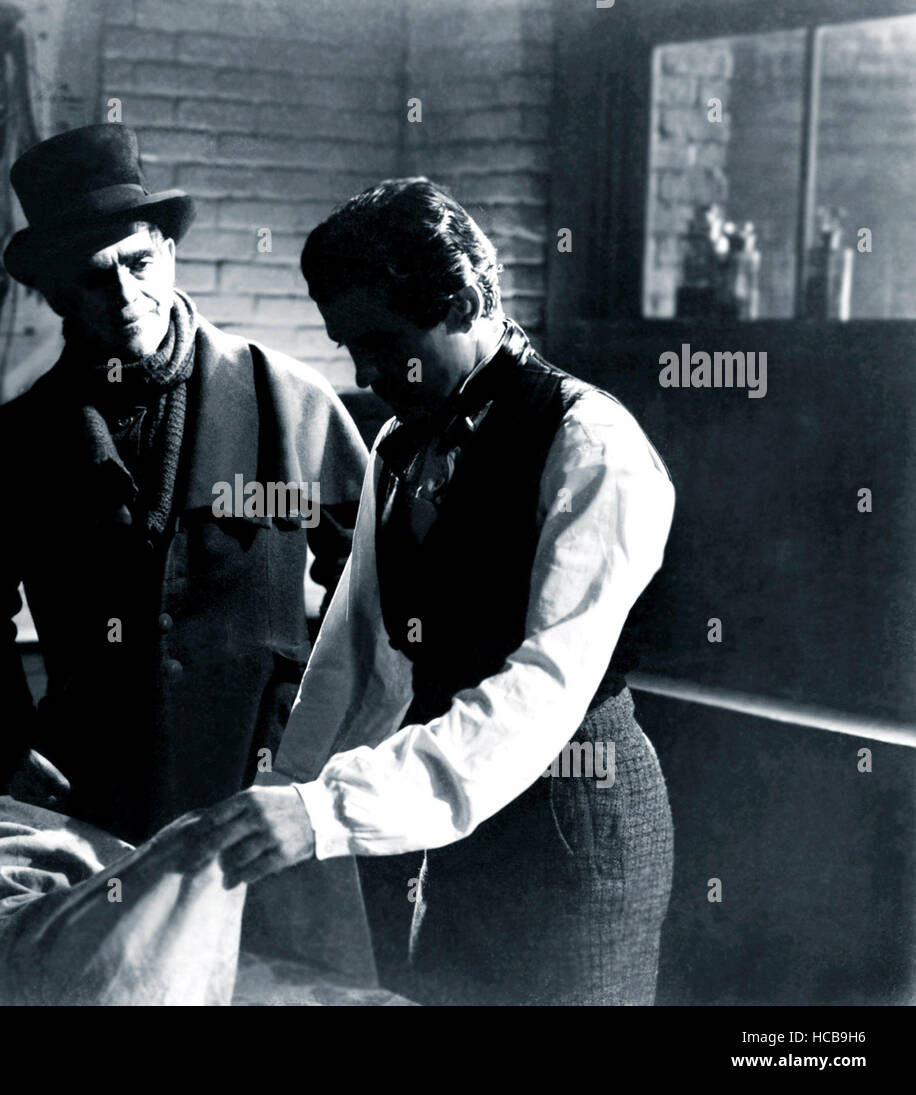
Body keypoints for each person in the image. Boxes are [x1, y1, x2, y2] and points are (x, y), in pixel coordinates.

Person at [193, 178, 677, 1005]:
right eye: (349, 348)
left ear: (460, 299)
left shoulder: (591, 446)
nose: (368, 372)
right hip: (461, 808)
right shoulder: (397, 445)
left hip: (576, 815)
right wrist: (285, 792)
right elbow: (353, 651)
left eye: (385, 342)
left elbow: (537, 694)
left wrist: (327, 813)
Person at [0, 125, 368, 845]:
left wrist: (332, 732)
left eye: (141, 262)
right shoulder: (16, 442)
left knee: (278, 960)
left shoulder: (288, 399)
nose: (126, 294)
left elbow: (368, 583)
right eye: (96, 275)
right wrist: (5, 742)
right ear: (61, 295)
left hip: (266, 782)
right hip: (98, 788)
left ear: (170, 252)